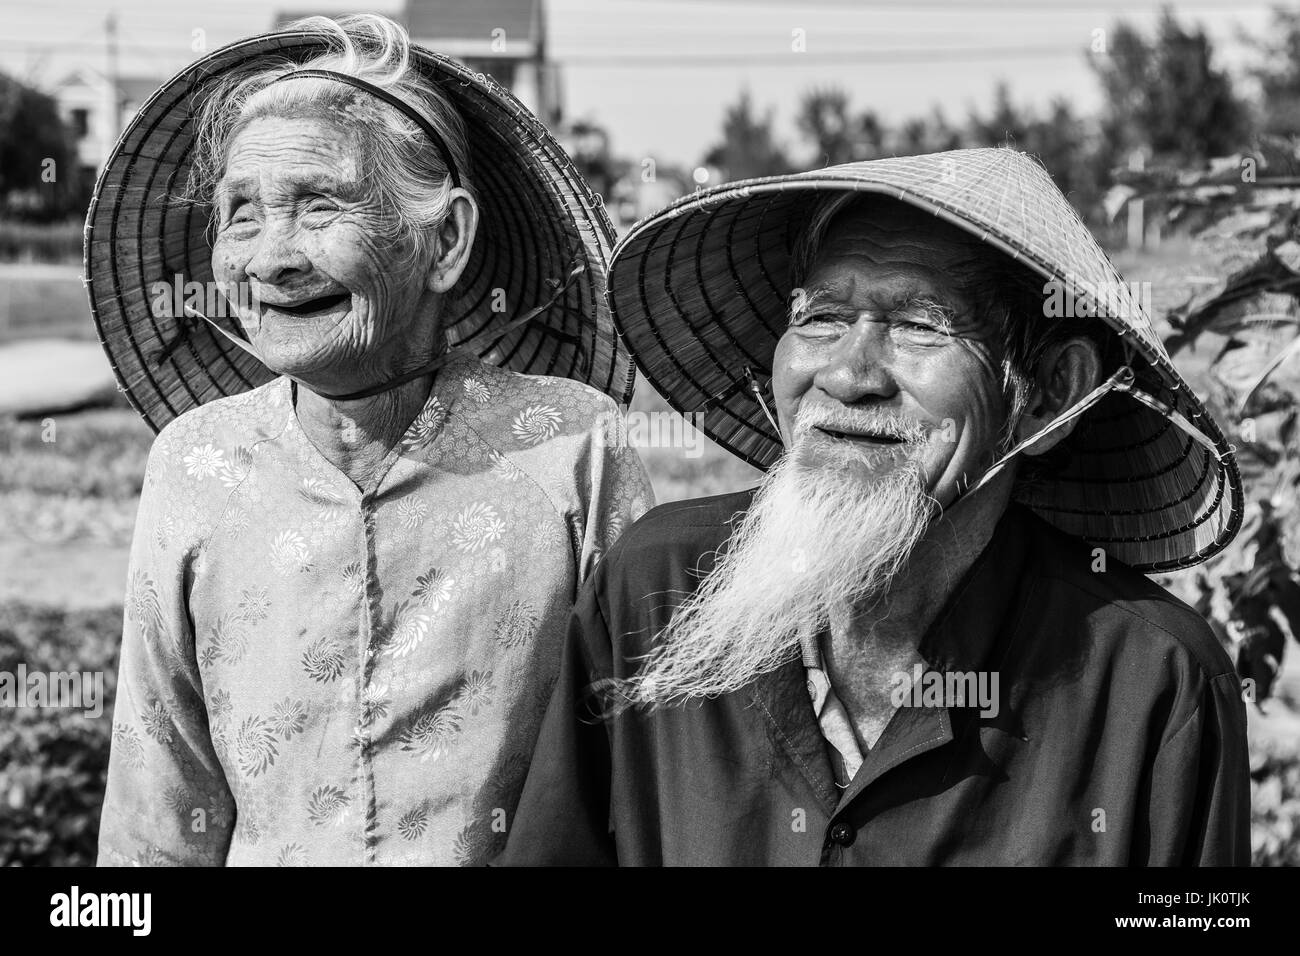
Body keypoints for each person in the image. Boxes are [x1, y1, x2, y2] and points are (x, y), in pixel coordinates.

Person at [498, 149, 1251, 866]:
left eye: (921, 325)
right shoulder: (656, 586)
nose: (850, 373)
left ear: (1048, 392)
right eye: (822, 315)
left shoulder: (1153, 682)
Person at [91, 14, 652, 866]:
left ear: (447, 239)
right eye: (241, 214)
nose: (270, 258)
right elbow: (155, 812)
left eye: (319, 207)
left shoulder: (573, 449)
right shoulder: (196, 464)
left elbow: (648, 778)